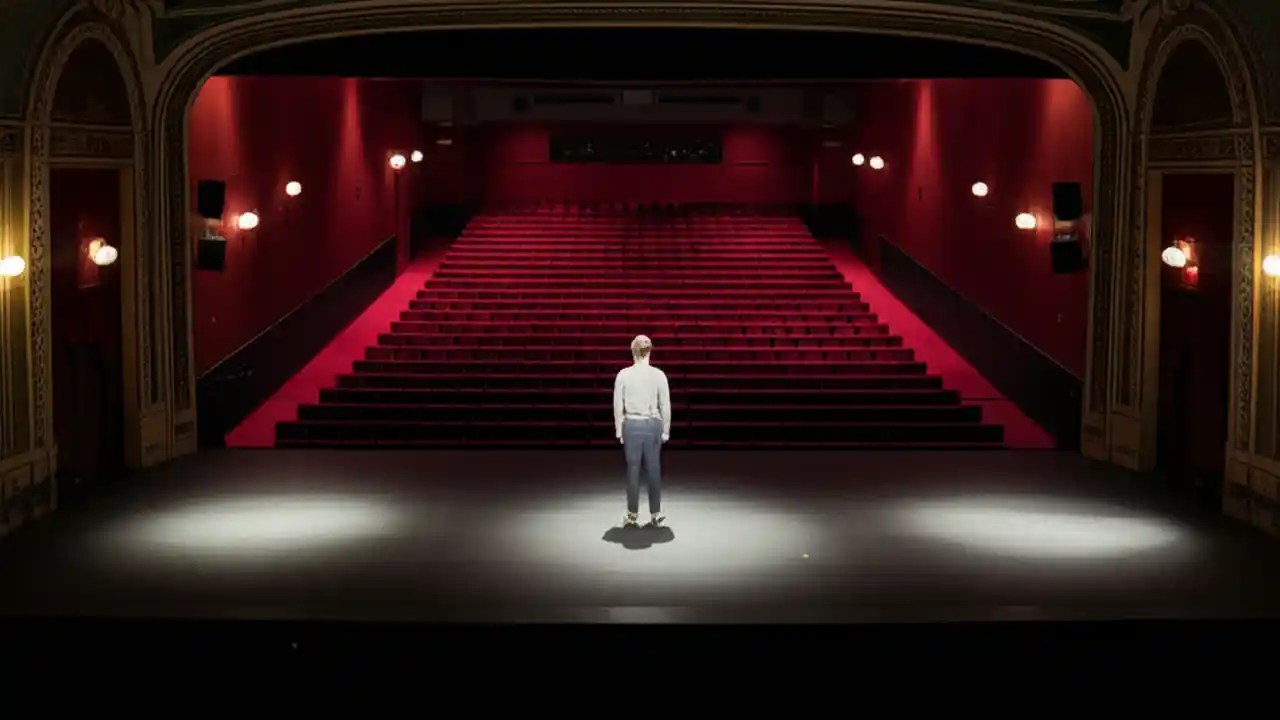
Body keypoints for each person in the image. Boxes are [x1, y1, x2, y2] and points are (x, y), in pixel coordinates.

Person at [613, 335, 671, 528]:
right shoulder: (659, 375)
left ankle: (632, 513)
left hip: (632, 424)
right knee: (654, 468)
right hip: (652, 424)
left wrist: (618, 429)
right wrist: (666, 430)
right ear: (650, 351)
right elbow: (665, 405)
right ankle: (655, 513)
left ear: (633, 351)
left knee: (633, 469)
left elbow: (617, 405)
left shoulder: (623, 375)